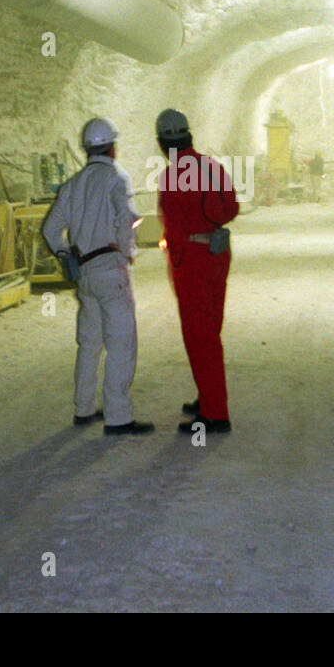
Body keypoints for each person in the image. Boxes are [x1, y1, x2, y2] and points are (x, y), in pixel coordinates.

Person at [41, 118, 153, 435]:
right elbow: (124, 220)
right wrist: (127, 254)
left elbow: (50, 230)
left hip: (85, 275)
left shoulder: (72, 185)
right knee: (121, 344)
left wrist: (65, 255)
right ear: (112, 147)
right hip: (110, 270)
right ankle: (118, 417)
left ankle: (84, 409)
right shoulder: (117, 178)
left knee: (89, 344)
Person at [154, 109, 239, 435]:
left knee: (199, 336)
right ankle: (208, 396)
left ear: (163, 143)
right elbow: (232, 207)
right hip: (218, 252)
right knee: (210, 329)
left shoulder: (173, 176)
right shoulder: (212, 166)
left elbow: (172, 224)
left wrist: (172, 251)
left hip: (193, 259)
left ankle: (215, 414)